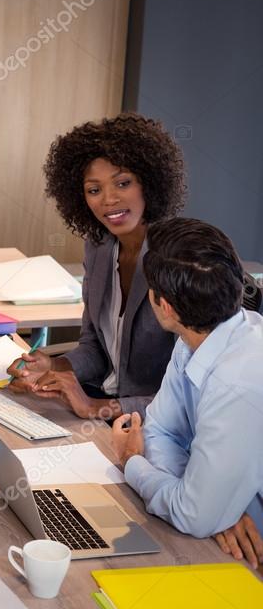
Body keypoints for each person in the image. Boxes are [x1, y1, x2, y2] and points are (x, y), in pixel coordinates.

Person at [7, 113, 186, 420]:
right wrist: (54, 366)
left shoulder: (178, 259)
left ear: (149, 183)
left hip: (153, 425)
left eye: (123, 183)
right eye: (94, 189)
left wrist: (101, 408)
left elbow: (189, 394)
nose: (109, 200)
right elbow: (96, 348)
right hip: (99, 405)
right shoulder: (100, 246)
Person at [111, 218, 263, 567]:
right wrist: (215, 504)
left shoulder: (238, 383)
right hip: (231, 541)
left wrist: (132, 463)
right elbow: (160, 430)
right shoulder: (195, 339)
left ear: (164, 307)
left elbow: (192, 516)